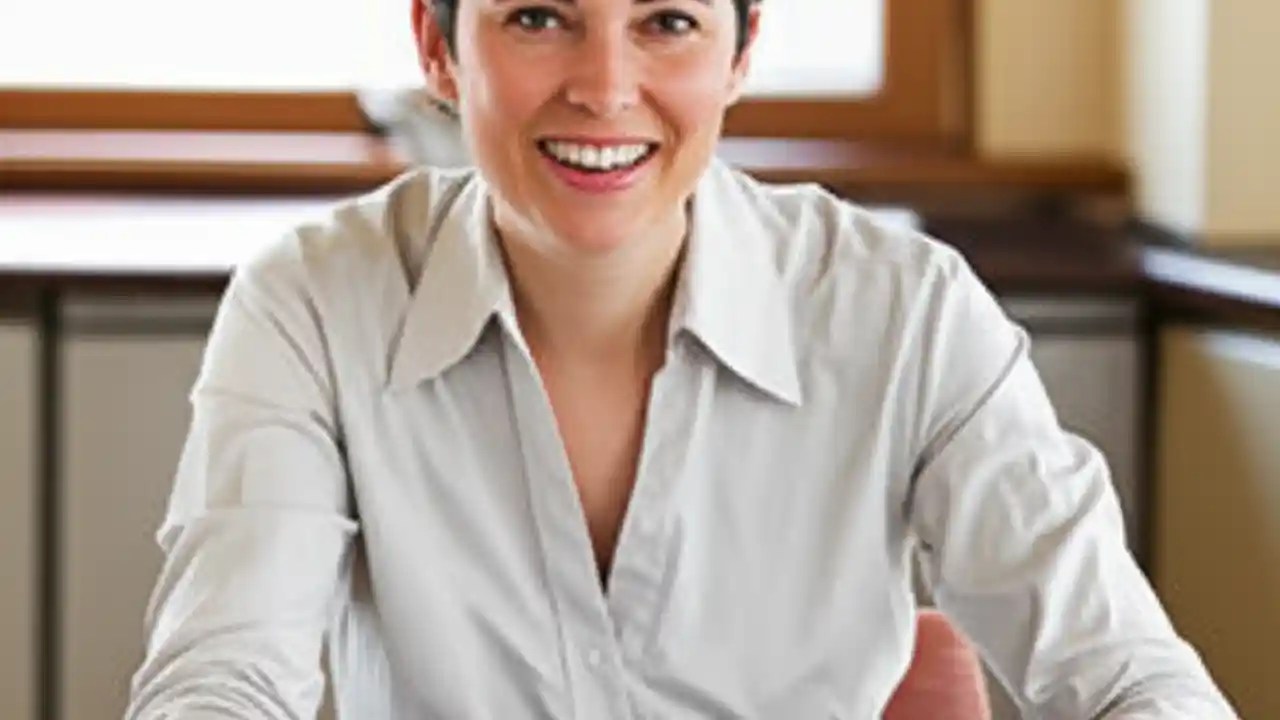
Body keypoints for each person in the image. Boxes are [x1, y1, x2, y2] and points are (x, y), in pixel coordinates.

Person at [125, 0, 1238, 717]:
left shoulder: (902, 312)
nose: (605, 88)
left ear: (742, 51)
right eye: (538, 18)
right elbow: (221, 683)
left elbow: (1121, 675)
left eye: (664, 22)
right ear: (436, 46)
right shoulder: (314, 301)